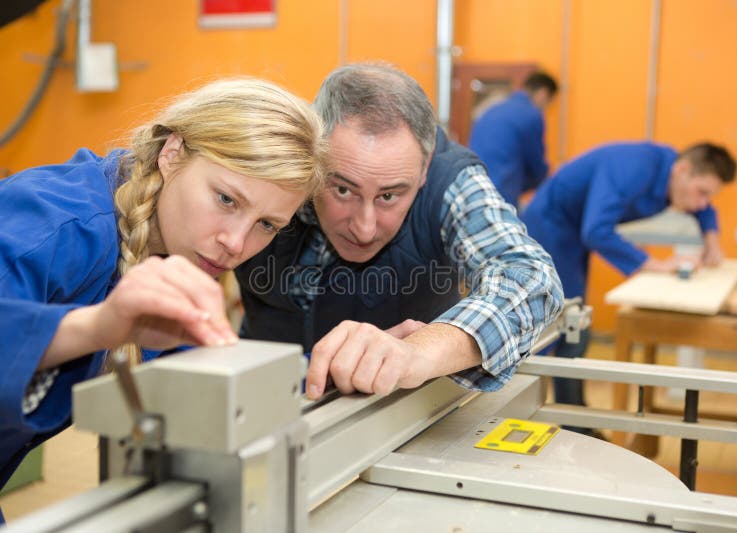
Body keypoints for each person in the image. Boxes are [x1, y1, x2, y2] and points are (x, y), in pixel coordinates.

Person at [0, 77, 327, 517]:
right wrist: (95, 328)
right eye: (226, 199)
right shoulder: (54, 223)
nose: (235, 243)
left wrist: (331, 372)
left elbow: (194, 372)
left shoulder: (170, 256)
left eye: (267, 225)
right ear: (171, 154)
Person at [236, 62, 564, 401]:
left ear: (424, 168)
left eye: (389, 196)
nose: (364, 229)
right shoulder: (275, 154)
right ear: (314, 154)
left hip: (398, 410)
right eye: (343, 190)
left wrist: (419, 351)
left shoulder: (451, 180)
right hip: (256, 399)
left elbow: (531, 278)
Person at [520, 141, 737, 413]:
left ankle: (573, 417)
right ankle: (518, 412)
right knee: (556, 328)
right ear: (682, 170)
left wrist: (712, 240)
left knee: (574, 329)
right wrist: (651, 264)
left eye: (709, 196)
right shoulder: (634, 167)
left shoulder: (676, 172)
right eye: (702, 193)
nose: (702, 203)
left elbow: (705, 210)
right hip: (549, 228)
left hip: (572, 235)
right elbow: (596, 230)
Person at [469, 71, 558, 208]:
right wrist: (550, 180)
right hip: (502, 190)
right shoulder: (531, 114)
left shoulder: (492, 110)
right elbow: (536, 166)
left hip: (474, 188)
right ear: (543, 93)